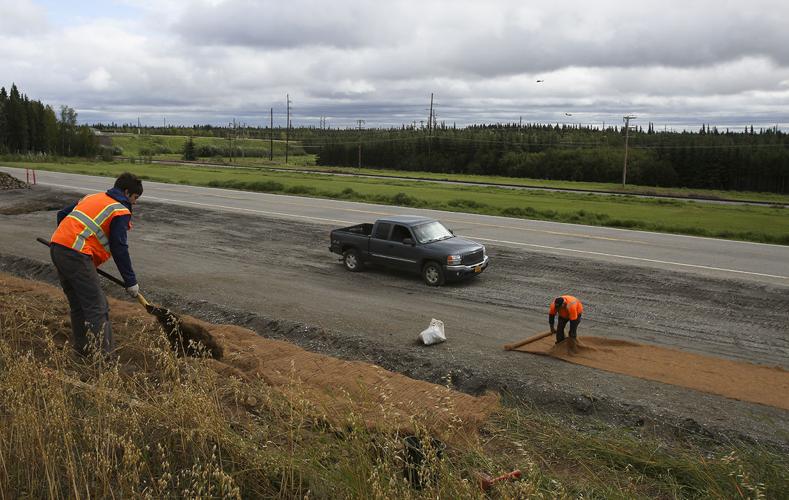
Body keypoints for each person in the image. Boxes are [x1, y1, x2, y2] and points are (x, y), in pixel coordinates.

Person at [49, 172, 143, 356]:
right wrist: (130, 281)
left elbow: (62, 214)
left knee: (78, 305)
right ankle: (106, 359)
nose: (135, 202)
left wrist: (66, 241)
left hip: (58, 249)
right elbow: (119, 247)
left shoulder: (93, 197)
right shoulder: (120, 210)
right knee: (98, 307)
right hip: (76, 254)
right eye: (135, 197)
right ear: (126, 192)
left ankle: (82, 351)